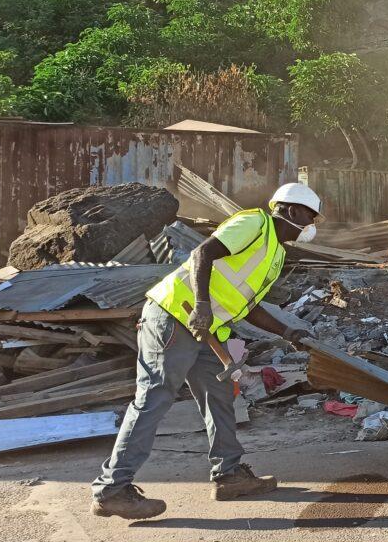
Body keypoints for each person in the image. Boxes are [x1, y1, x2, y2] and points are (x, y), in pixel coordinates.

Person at [90, 182, 323, 520]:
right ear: (291, 210)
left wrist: (288, 332)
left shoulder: (276, 253)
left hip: (207, 331)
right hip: (177, 314)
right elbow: (203, 254)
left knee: (220, 396)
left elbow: (249, 304)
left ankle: (229, 474)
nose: (311, 226)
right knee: (154, 397)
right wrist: (201, 305)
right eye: (310, 217)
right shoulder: (254, 224)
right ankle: (111, 489)